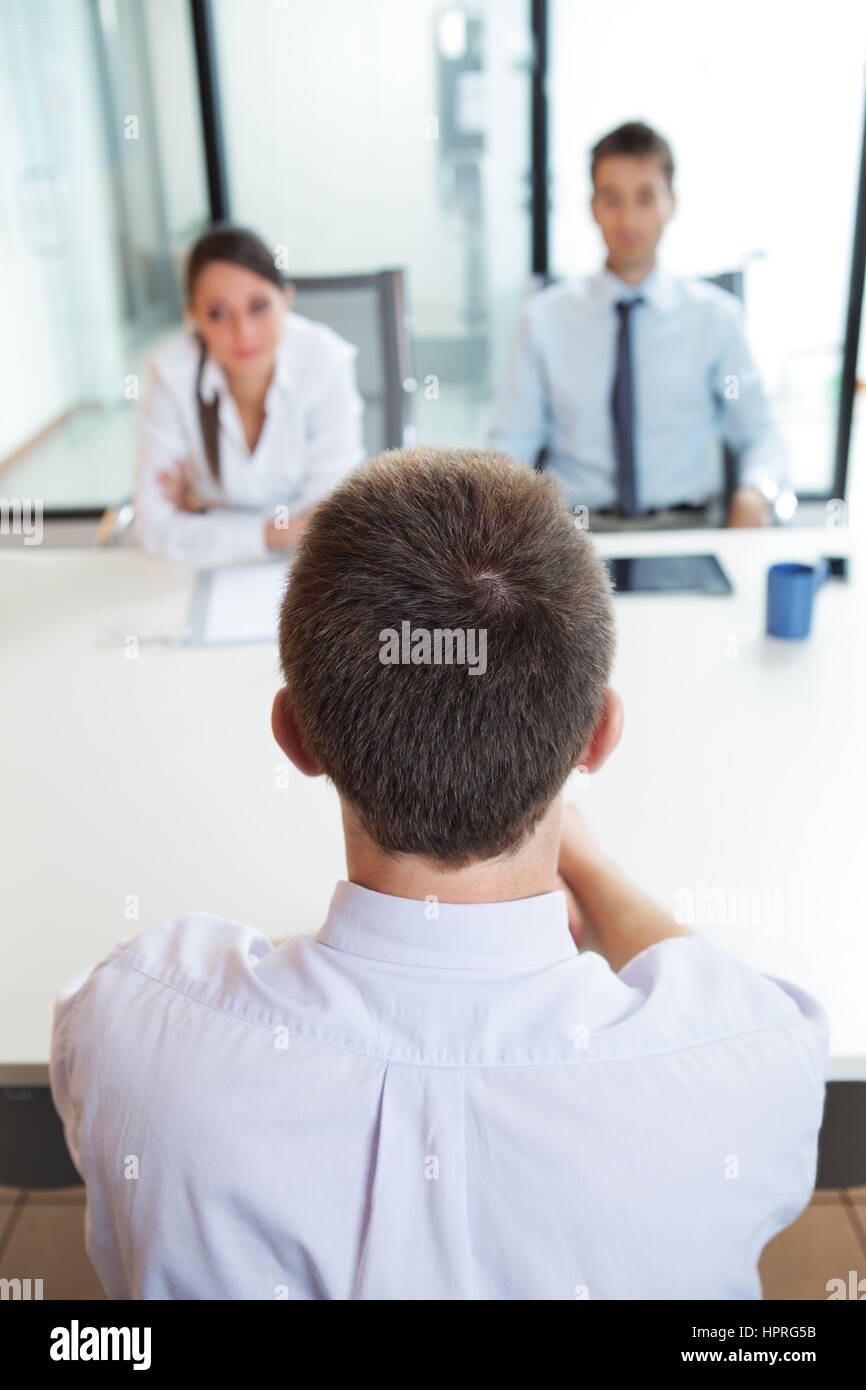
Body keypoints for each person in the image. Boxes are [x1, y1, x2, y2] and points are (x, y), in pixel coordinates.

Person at [50, 447, 826, 1300]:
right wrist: (590, 863)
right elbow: (715, 992)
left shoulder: (134, 1025)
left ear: (295, 736)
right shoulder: (746, 1066)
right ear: (599, 736)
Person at [490, 121, 795, 530]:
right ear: (592, 206)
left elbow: (761, 435)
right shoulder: (543, 320)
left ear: (672, 203)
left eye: (645, 198)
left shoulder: (716, 318)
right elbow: (511, 445)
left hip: (688, 530)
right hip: (574, 536)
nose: (628, 220)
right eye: (612, 199)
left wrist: (755, 492)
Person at [133, 224, 365, 564]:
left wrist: (202, 510)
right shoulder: (172, 373)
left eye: (258, 306)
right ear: (193, 315)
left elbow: (329, 522)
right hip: (205, 570)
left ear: (285, 299)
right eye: (218, 313)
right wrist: (273, 531)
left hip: (308, 567)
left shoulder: (325, 360)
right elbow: (154, 527)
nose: (244, 332)